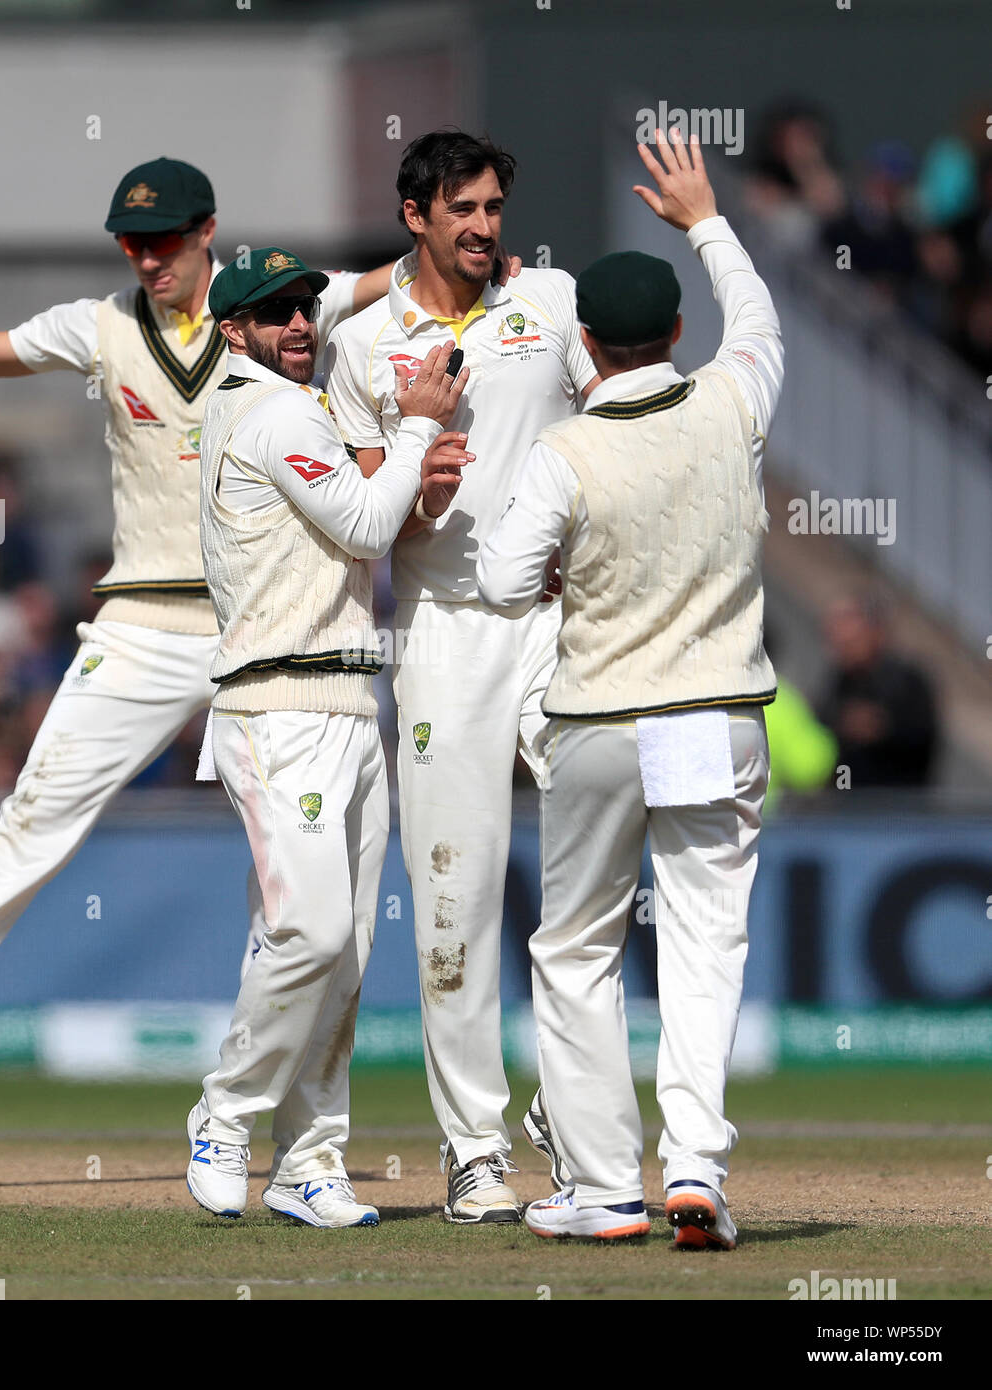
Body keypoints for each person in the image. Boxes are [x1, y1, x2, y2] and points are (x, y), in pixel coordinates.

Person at [0, 157, 394, 1077]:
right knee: (38, 806)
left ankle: (283, 1126)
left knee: (294, 890)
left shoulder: (275, 304)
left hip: (266, 629)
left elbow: (387, 282)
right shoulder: (99, 326)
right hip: (143, 620)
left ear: (206, 229)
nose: (147, 258)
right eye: (133, 243)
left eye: (164, 240)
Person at [478, 129, 783, 1249]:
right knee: (706, 946)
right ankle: (694, 1167)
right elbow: (757, 318)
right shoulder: (734, 400)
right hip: (716, 715)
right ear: (675, 336)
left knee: (575, 951)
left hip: (599, 721)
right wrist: (705, 218)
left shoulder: (564, 449)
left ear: (586, 351)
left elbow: (506, 579)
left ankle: (603, 1187)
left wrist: (563, 566)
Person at [325, 129, 598, 1224]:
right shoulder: (359, 344)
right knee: (454, 892)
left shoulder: (551, 300)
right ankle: (475, 1148)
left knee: (619, 837)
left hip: (563, 620)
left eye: (494, 207)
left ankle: (564, 1106)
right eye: (465, 211)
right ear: (416, 216)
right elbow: (357, 522)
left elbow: (617, 411)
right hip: (442, 628)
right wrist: (420, 483)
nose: (485, 228)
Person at [186, 249, 470, 1227]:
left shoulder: (282, 409)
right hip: (281, 707)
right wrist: (420, 421)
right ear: (232, 330)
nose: (300, 323)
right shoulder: (269, 409)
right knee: (312, 930)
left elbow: (365, 514)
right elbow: (359, 526)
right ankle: (224, 1114)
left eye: (305, 305)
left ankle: (310, 1164)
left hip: (348, 700)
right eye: (273, 312)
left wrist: (404, 456)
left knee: (340, 955)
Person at [816, 593, 938, 788]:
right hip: (846, 802)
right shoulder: (841, 680)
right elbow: (819, 721)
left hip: (895, 805)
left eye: (851, 641)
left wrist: (882, 727)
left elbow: (921, 738)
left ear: (875, 634)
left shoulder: (906, 680)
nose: (841, 649)